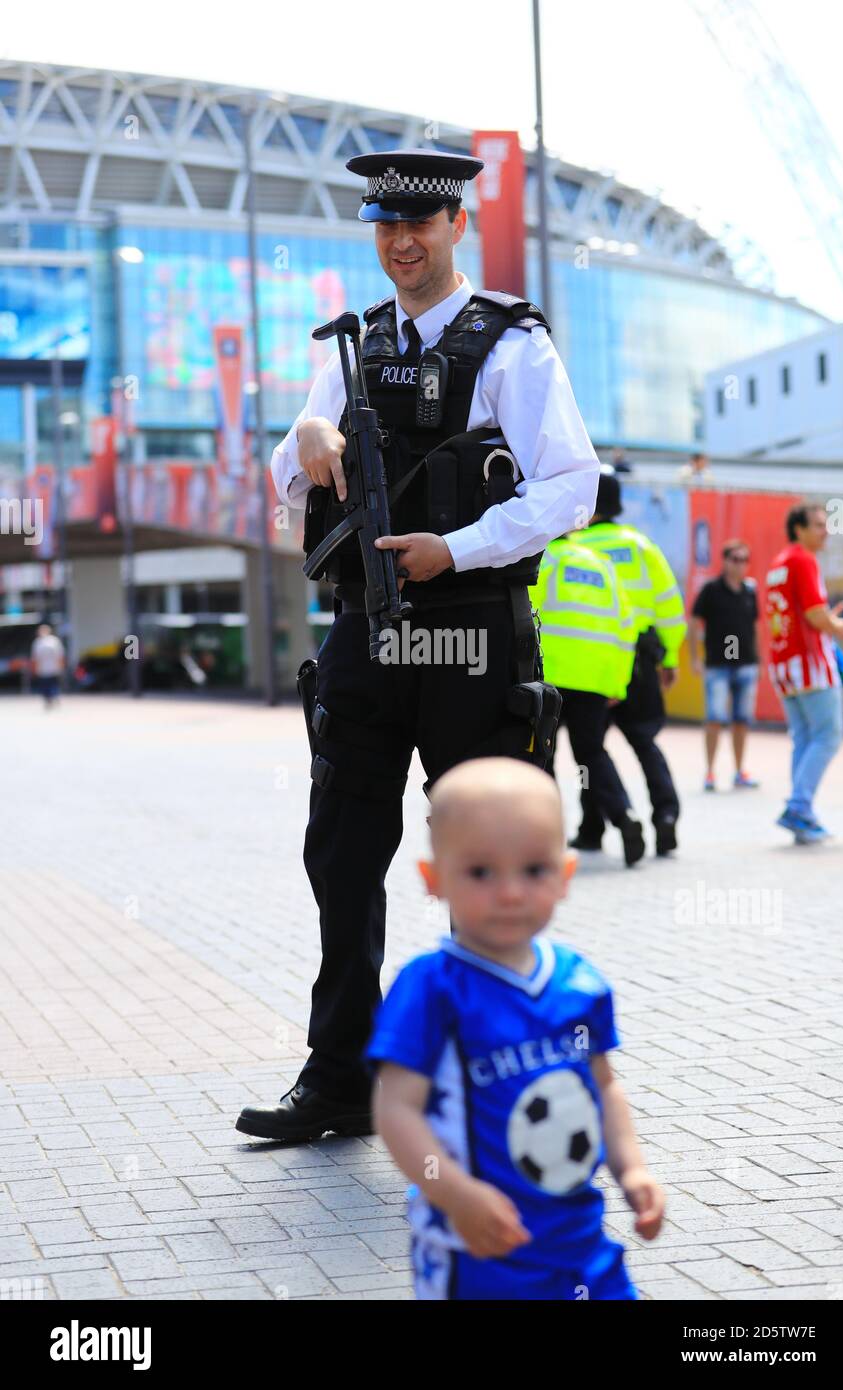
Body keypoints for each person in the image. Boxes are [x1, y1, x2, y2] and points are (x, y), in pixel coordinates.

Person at [236, 149, 600, 1144]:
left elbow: (569, 484)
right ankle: (341, 1074)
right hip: (366, 633)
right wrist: (306, 438)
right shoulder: (353, 346)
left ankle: (496, 1075)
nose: (401, 241)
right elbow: (287, 473)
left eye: (421, 221)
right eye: (384, 224)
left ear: (454, 224)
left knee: (486, 862)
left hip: (473, 632)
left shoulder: (510, 343)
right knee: (342, 858)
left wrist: (459, 547)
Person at [367, 757, 665, 1300]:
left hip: (579, 1245)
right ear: (435, 881)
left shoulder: (579, 982)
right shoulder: (432, 989)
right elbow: (396, 1110)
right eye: (481, 872)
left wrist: (633, 1169)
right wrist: (454, 1194)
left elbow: (603, 1085)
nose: (509, 893)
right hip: (478, 1253)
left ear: (565, 876)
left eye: (533, 870)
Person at [574, 469, 687, 857]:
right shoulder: (641, 546)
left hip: (592, 664)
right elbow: (670, 607)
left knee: (589, 752)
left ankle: (592, 828)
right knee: (644, 743)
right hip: (640, 659)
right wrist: (670, 657)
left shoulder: (575, 549)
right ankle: (666, 816)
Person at [529, 534, 645, 866]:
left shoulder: (544, 559)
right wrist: (617, 683)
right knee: (591, 755)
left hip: (548, 675)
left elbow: (524, 612)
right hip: (594, 679)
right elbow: (627, 626)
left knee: (542, 754)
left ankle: (547, 836)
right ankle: (624, 815)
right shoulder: (602, 565)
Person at [767, 503, 843, 843]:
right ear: (799, 529)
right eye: (819, 525)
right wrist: (839, 626)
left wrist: (827, 621)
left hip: (784, 665)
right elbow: (816, 615)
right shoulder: (803, 559)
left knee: (805, 738)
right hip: (810, 665)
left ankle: (801, 814)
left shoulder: (778, 563)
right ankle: (799, 807)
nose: (826, 531)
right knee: (829, 735)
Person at [690, 539, 761, 790]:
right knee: (715, 718)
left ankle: (740, 771)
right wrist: (695, 658)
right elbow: (694, 621)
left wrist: (758, 659)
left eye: (744, 560)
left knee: (741, 720)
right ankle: (709, 772)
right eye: (735, 559)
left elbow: (755, 627)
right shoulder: (711, 589)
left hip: (746, 665)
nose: (740, 565)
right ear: (725, 561)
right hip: (718, 665)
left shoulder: (750, 591)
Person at [30, 623, 65, 708]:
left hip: (50, 668)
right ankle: (49, 699)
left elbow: (60, 656)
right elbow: (35, 658)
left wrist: (61, 666)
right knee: (47, 685)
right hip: (45, 668)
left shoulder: (52, 641)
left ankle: (52, 698)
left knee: (52, 684)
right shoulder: (39, 642)